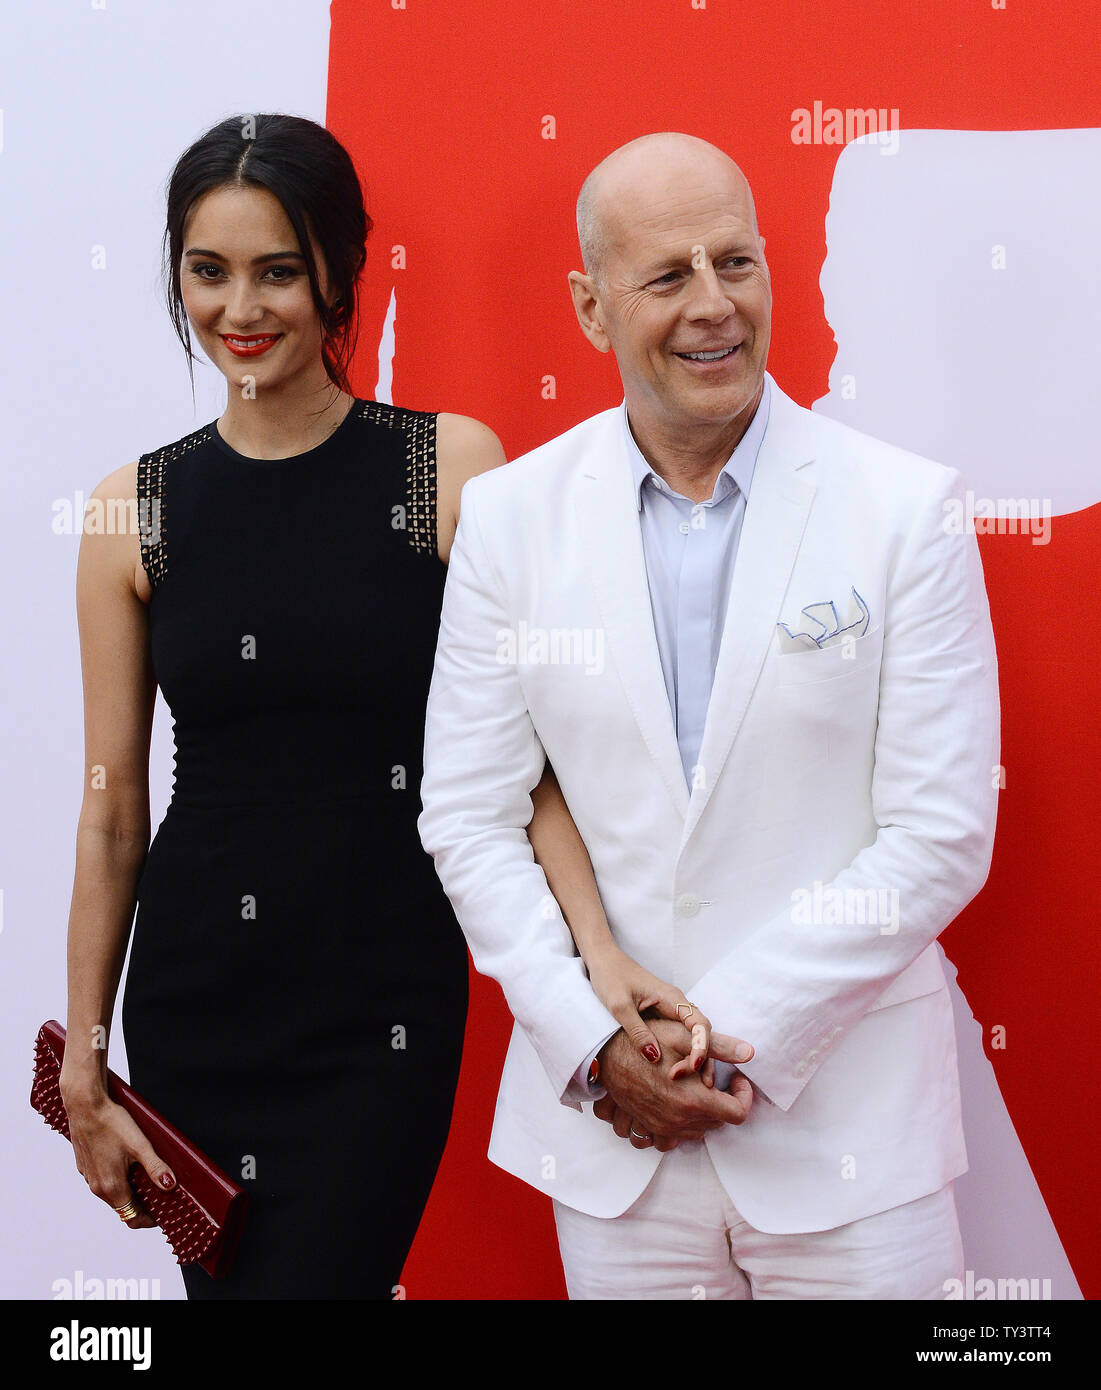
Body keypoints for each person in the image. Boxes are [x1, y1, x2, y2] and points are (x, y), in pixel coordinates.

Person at [56, 113, 691, 1300]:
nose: (240, 308)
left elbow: (530, 764)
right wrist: (87, 1068)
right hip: (199, 1001)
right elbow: (110, 813)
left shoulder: (445, 468)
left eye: (279, 270)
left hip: (382, 1000)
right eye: (209, 271)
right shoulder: (129, 511)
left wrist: (598, 955)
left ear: (342, 273)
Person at [418, 132, 1001, 1299]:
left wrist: (708, 1039)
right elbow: (469, 816)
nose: (714, 306)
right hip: (615, 1151)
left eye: (736, 261)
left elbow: (941, 834)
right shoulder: (512, 521)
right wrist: (594, 1049)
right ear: (590, 307)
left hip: (853, 1151)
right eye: (667, 276)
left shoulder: (904, 511)